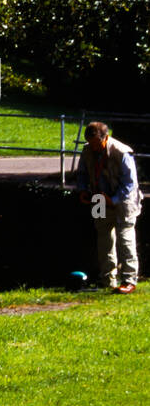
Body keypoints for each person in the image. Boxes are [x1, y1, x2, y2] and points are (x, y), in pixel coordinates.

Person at [74, 121, 141, 294]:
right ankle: (107, 279)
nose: (94, 148)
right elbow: (81, 173)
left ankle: (129, 280)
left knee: (125, 238)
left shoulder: (122, 152)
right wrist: (82, 190)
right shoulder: (87, 150)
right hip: (98, 198)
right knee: (103, 237)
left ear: (105, 138)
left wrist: (113, 200)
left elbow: (130, 184)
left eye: (97, 144)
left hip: (124, 201)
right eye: (91, 143)